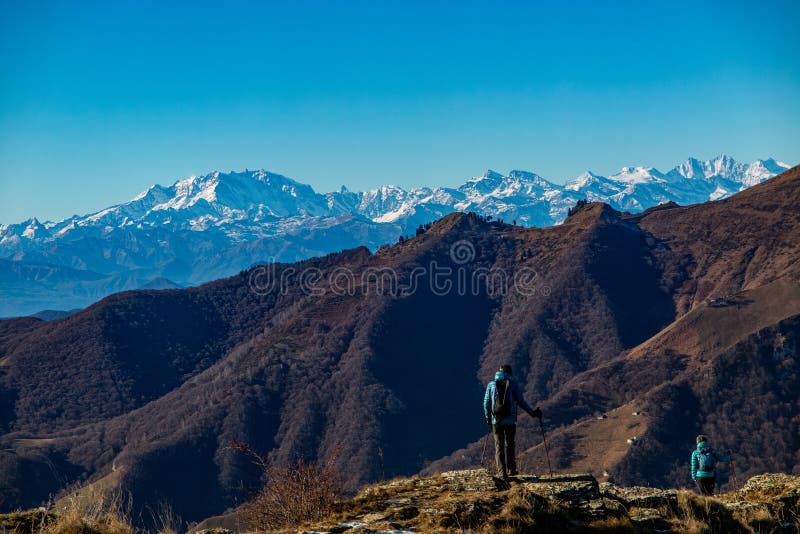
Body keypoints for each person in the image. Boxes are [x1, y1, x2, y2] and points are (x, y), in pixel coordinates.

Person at [483, 364, 542, 478]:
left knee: (499, 446)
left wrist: (488, 419)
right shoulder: (513, 384)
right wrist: (532, 413)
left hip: (496, 421)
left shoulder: (491, 385)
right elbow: (521, 402)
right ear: (510, 373)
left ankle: (502, 473)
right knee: (509, 444)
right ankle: (511, 469)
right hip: (510, 421)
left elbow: (486, 403)